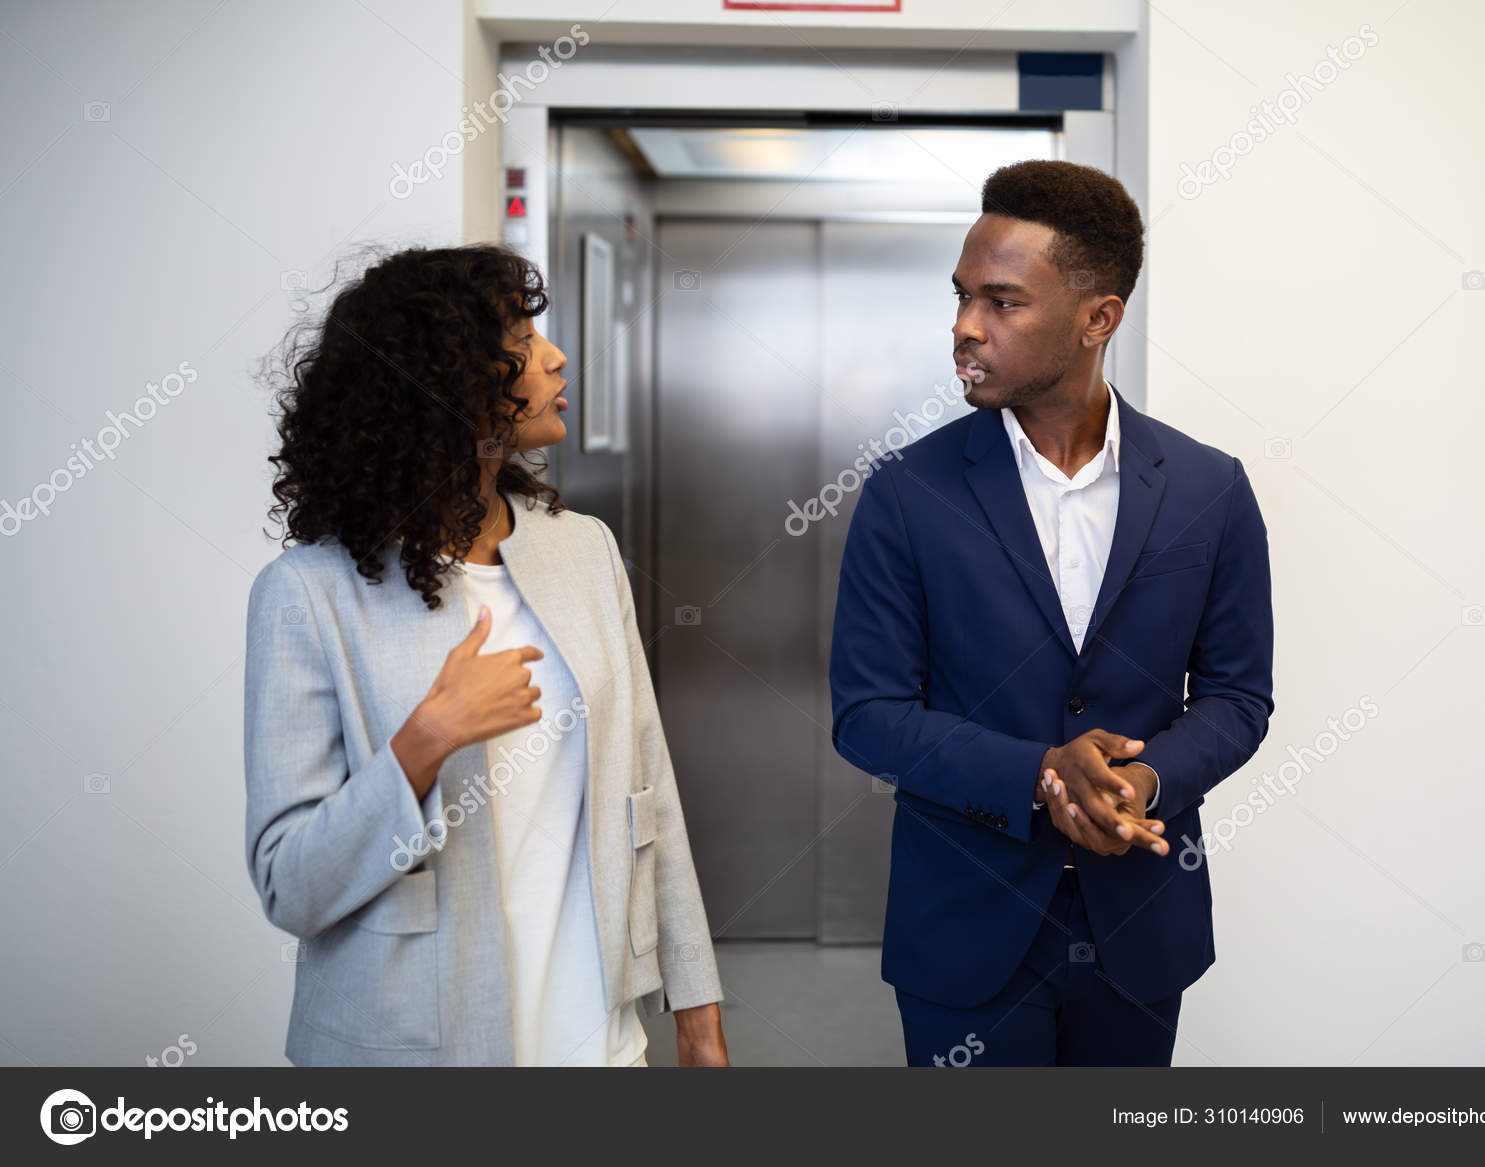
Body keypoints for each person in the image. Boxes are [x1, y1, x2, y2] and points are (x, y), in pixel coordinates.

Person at [829, 160, 1274, 1067]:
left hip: (1139, 926)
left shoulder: (1209, 488)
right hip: (963, 924)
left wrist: (1143, 784)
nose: (966, 326)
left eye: (1002, 302)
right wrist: (1040, 774)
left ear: (1097, 318)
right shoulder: (906, 492)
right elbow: (868, 714)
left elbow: (1238, 698)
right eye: (962, 296)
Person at [243, 244, 728, 1066]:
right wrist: (424, 742)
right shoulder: (306, 594)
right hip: (411, 1049)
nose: (555, 356)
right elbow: (291, 884)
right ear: (442, 380)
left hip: (597, 1041)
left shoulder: (584, 549)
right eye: (522, 340)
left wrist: (697, 1010)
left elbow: (651, 793)